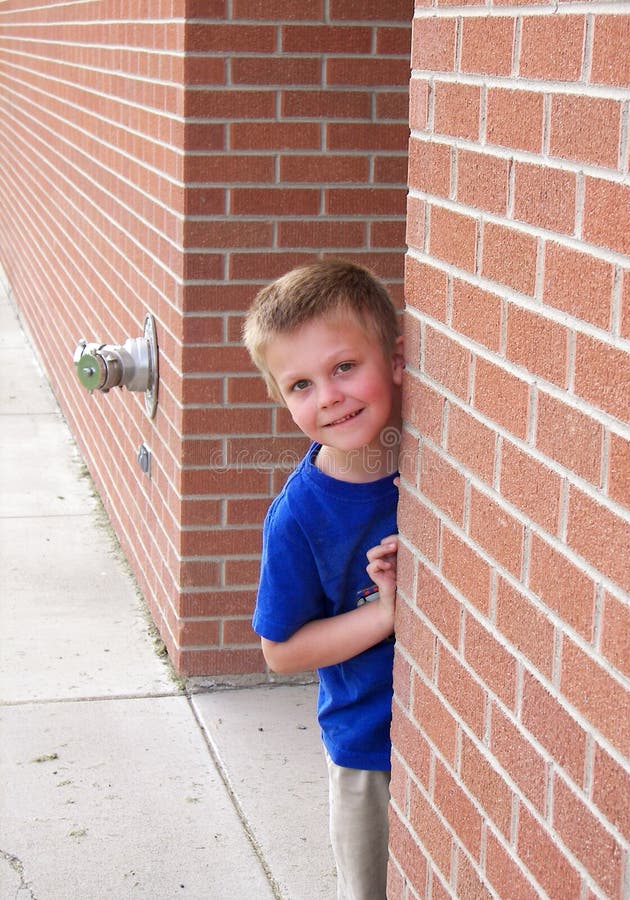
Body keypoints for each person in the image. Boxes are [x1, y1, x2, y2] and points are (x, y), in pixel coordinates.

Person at [243, 259, 404, 900]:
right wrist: (388, 614)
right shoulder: (299, 518)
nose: (328, 396)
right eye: (301, 385)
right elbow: (280, 650)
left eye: (343, 367)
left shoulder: (435, 451)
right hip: (368, 746)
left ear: (395, 357)